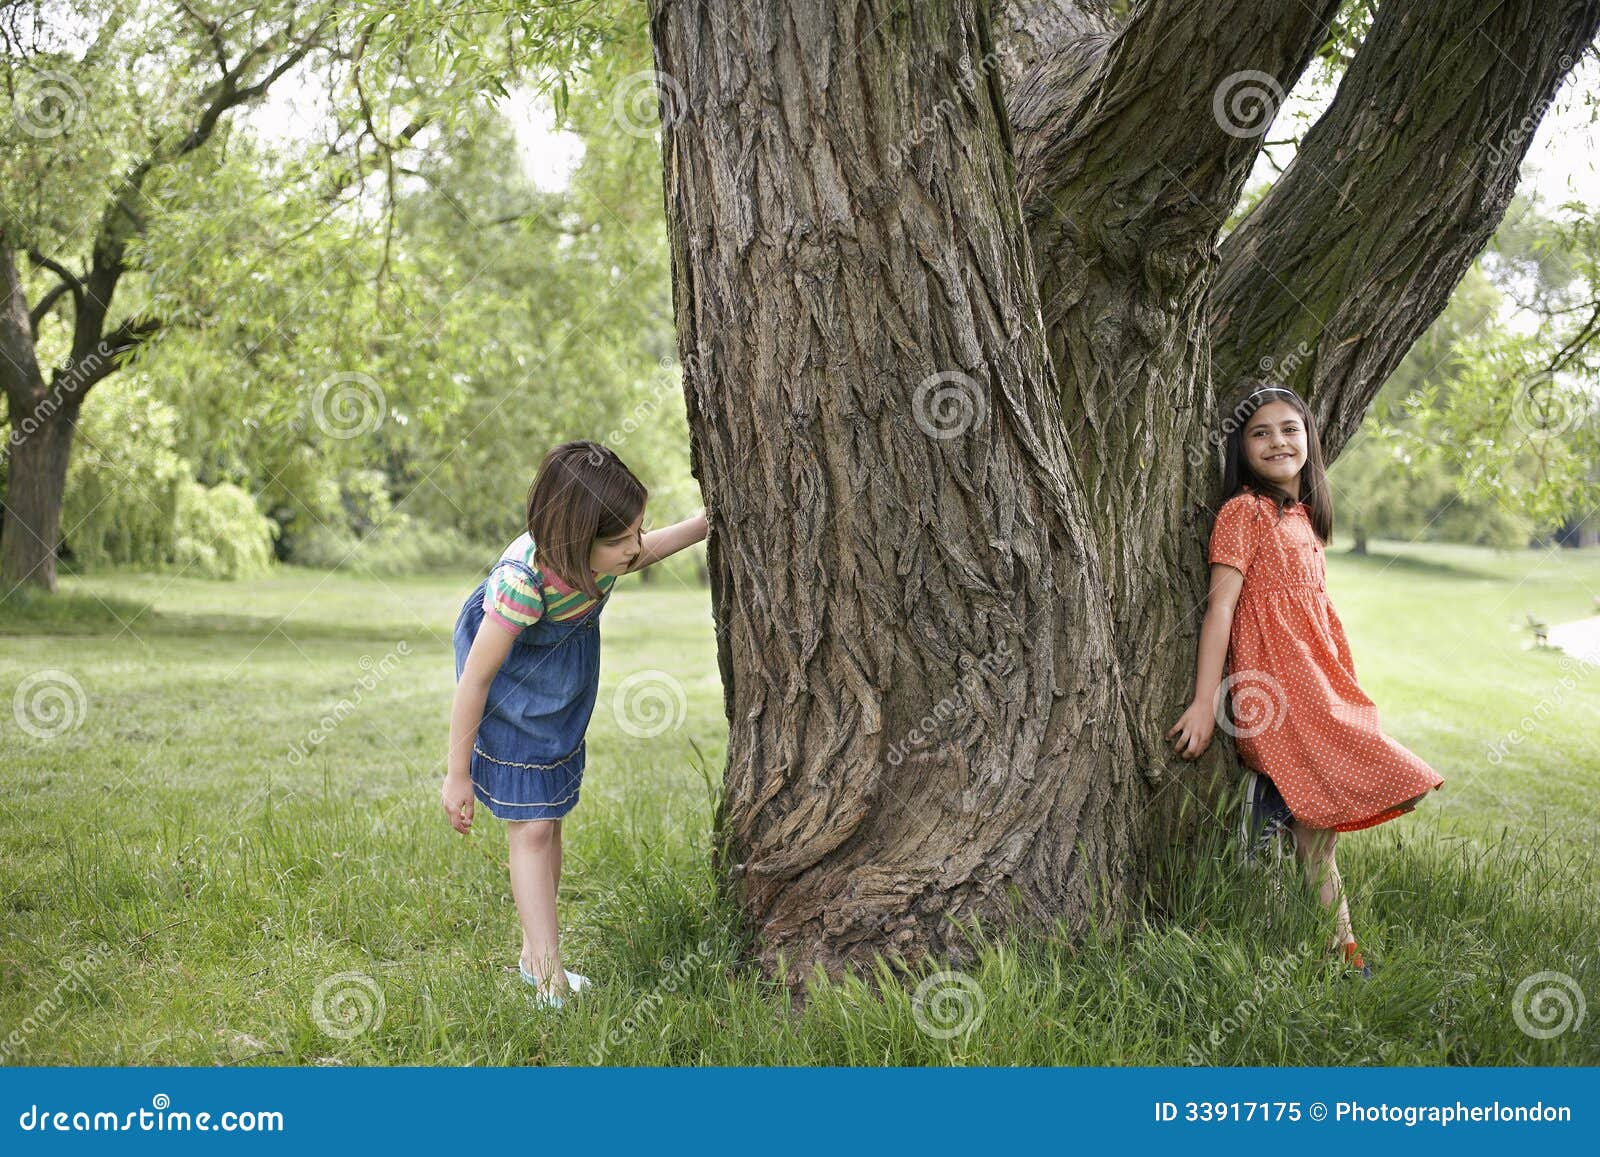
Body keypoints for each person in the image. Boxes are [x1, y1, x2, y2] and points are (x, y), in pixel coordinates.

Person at [1166, 385, 1443, 978]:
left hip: (1322, 683)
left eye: (1290, 428)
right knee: (1400, 780)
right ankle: (1268, 813)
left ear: (1310, 439)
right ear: (1241, 449)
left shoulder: (1303, 518)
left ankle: (1342, 955)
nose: (1277, 441)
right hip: (1282, 695)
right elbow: (1219, 609)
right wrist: (1202, 701)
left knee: (1319, 841)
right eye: (1260, 432)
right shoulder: (1245, 511)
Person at [440, 440, 708, 1007]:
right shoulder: (523, 585)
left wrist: (707, 524)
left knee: (549, 817)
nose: (635, 549)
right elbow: (476, 681)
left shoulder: (607, 551)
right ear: (573, 540)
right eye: (621, 541)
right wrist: (456, 774)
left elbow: (649, 548)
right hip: (512, 694)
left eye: (638, 531)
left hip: (558, 691)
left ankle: (535, 956)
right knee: (533, 826)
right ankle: (545, 975)